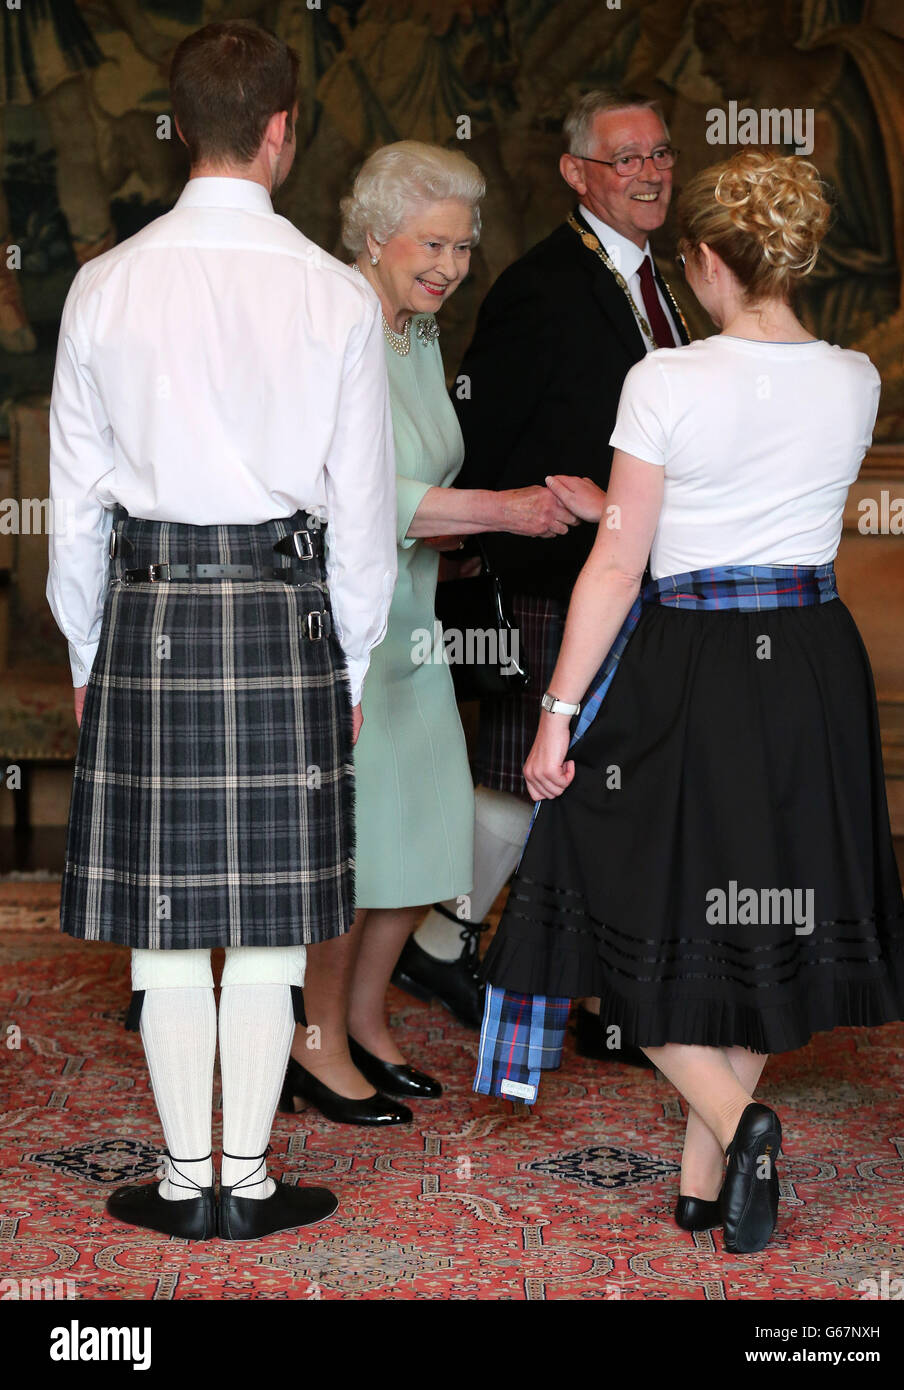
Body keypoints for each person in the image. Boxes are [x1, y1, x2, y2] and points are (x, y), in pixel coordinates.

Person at [480, 150, 904, 1254]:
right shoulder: (858, 375)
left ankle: (735, 1121)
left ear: (712, 260)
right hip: (814, 661)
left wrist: (556, 710)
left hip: (690, 662)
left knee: (612, 892)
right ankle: (703, 1172)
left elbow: (620, 567)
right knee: (761, 905)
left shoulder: (666, 381)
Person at [46, 20, 397, 1241]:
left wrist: (85, 649)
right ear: (283, 130)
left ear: (179, 125)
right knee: (265, 920)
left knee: (164, 918)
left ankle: (187, 1175)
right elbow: (362, 514)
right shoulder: (333, 292)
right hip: (283, 610)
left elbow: (73, 501)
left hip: (144, 615)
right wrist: (349, 657)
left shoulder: (104, 284)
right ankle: (244, 1181)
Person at [280, 140, 579, 1126]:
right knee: (358, 846)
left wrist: (466, 532)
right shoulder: (335, 323)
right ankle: (312, 1039)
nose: (451, 264)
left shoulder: (416, 331)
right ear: (374, 234)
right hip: (345, 629)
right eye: (433, 242)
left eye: (463, 245)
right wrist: (501, 511)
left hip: (412, 622)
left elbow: (425, 477)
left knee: (422, 830)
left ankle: (364, 1019)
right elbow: (351, 494)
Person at [396, 90, 689, 1057]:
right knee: (526, 775)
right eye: (625, 157)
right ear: (576, 173)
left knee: (607, 783)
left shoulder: (671, 283)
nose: (649, 171)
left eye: (659, 154)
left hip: (642, 577)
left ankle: (597, 978)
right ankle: (442, 936)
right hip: (551, 574)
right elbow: (480, 436)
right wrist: (487, 523)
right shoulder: (541, 283)